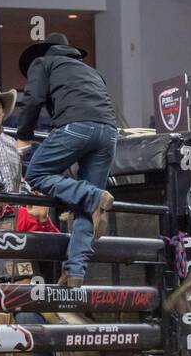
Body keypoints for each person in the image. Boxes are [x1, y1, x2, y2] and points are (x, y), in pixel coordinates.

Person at [17, 33, 119, 288]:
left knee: (36, 173)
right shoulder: (91, 71)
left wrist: (24, 135)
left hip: (76, 126)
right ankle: (75, 272)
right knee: (85, 206)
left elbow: (33, 99)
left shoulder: (43, 63)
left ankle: (94, 196)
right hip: (109, 132)